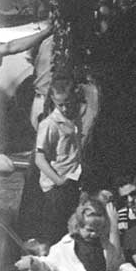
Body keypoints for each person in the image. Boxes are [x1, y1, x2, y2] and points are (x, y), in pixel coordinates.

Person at [34, 77, 84, 243]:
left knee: (70, 231)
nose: (64, 108)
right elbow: (39, 158)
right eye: (59, 104)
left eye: (68, 103)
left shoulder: (74, 119)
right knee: (53, 233)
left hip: (72, 181)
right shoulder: (50, 124)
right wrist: (58, 180)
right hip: (56, 186)